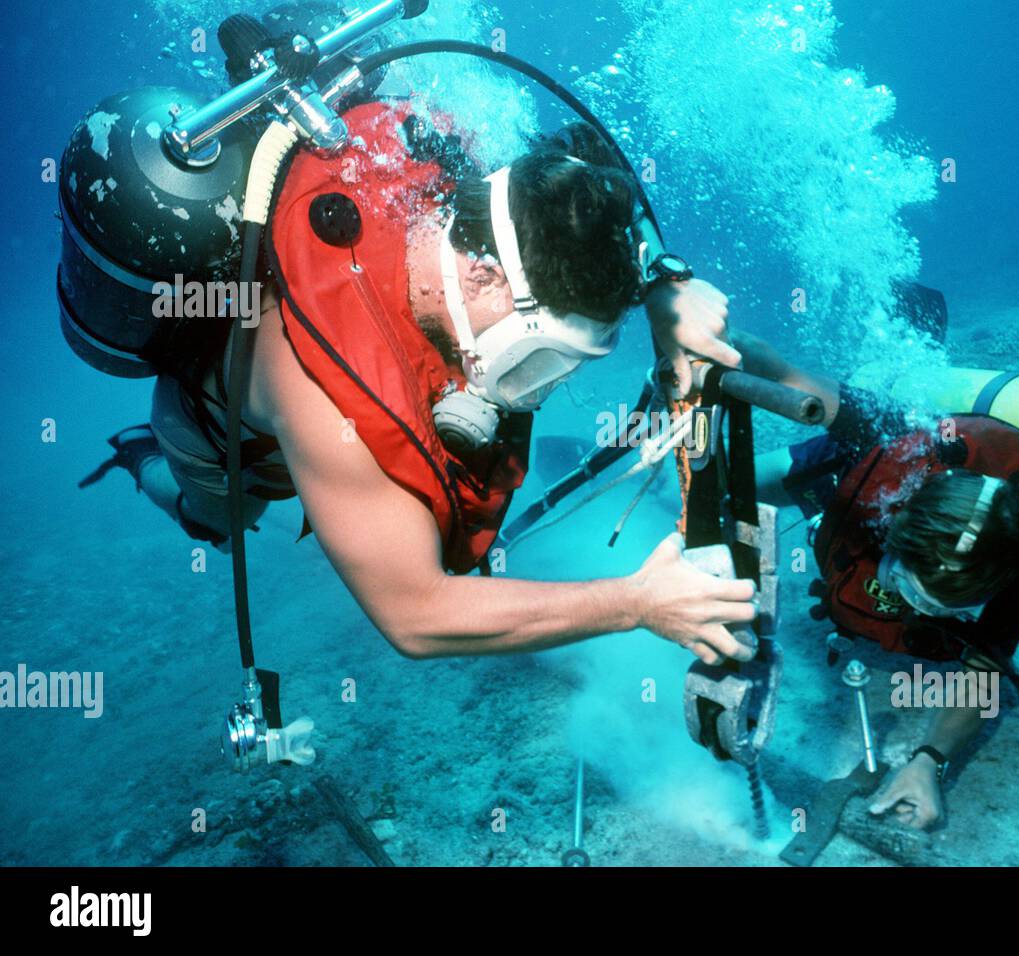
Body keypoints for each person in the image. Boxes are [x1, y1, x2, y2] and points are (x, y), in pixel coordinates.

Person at [81, 99, 756, 666]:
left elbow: (587, 168)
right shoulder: (320, 397)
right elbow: (416, 616)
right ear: (482, 276)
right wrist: (637, 603)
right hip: (212, 437)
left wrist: (667, 284)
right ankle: (138, 454)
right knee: (225, 520)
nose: (545, 388)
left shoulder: (473, 182)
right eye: (546, 358)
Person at [742, 333, 1019, 831]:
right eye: (905, 587)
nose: (906, 603)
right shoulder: (887, 433)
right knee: (726, 487)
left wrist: (928, 761)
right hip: (851, 470)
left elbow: (987, 663)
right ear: (897, 525)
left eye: (934, 605)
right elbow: (781, 373)